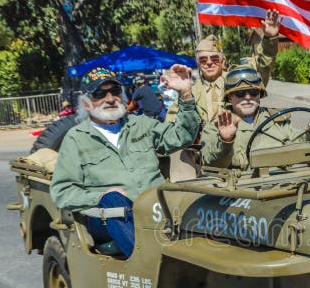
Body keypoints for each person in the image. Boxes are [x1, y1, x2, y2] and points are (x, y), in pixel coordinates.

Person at [49, 65, 201, 257]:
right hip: (105, 218)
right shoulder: (76, 138)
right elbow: (62, 191)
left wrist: (185, 94)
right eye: (99, 94)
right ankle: (147, 261)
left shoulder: (140, 124)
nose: (110, 98)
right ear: (86, 103)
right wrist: (99, 197)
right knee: (113, 201)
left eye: (115, 91)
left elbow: (182, 136)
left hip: (154, 210)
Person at [200, 66, 310, 170]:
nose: (247, 97)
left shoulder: (276, 119)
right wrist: (225, 140)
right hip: (241, 188)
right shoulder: (216, 127)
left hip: (281, 184)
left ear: (260, 95)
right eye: (240, 93)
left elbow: (296, 142)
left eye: (253, 92)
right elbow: (213, 165)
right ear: (229, 97)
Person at [168, 10, 281, 126]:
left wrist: (269, 38)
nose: (209, 63)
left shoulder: (237, 79)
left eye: (214, 59)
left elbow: (262, 64)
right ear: (198, 63)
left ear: (223, 61)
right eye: (203, 60)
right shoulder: (190, 91)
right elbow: (172, 120)